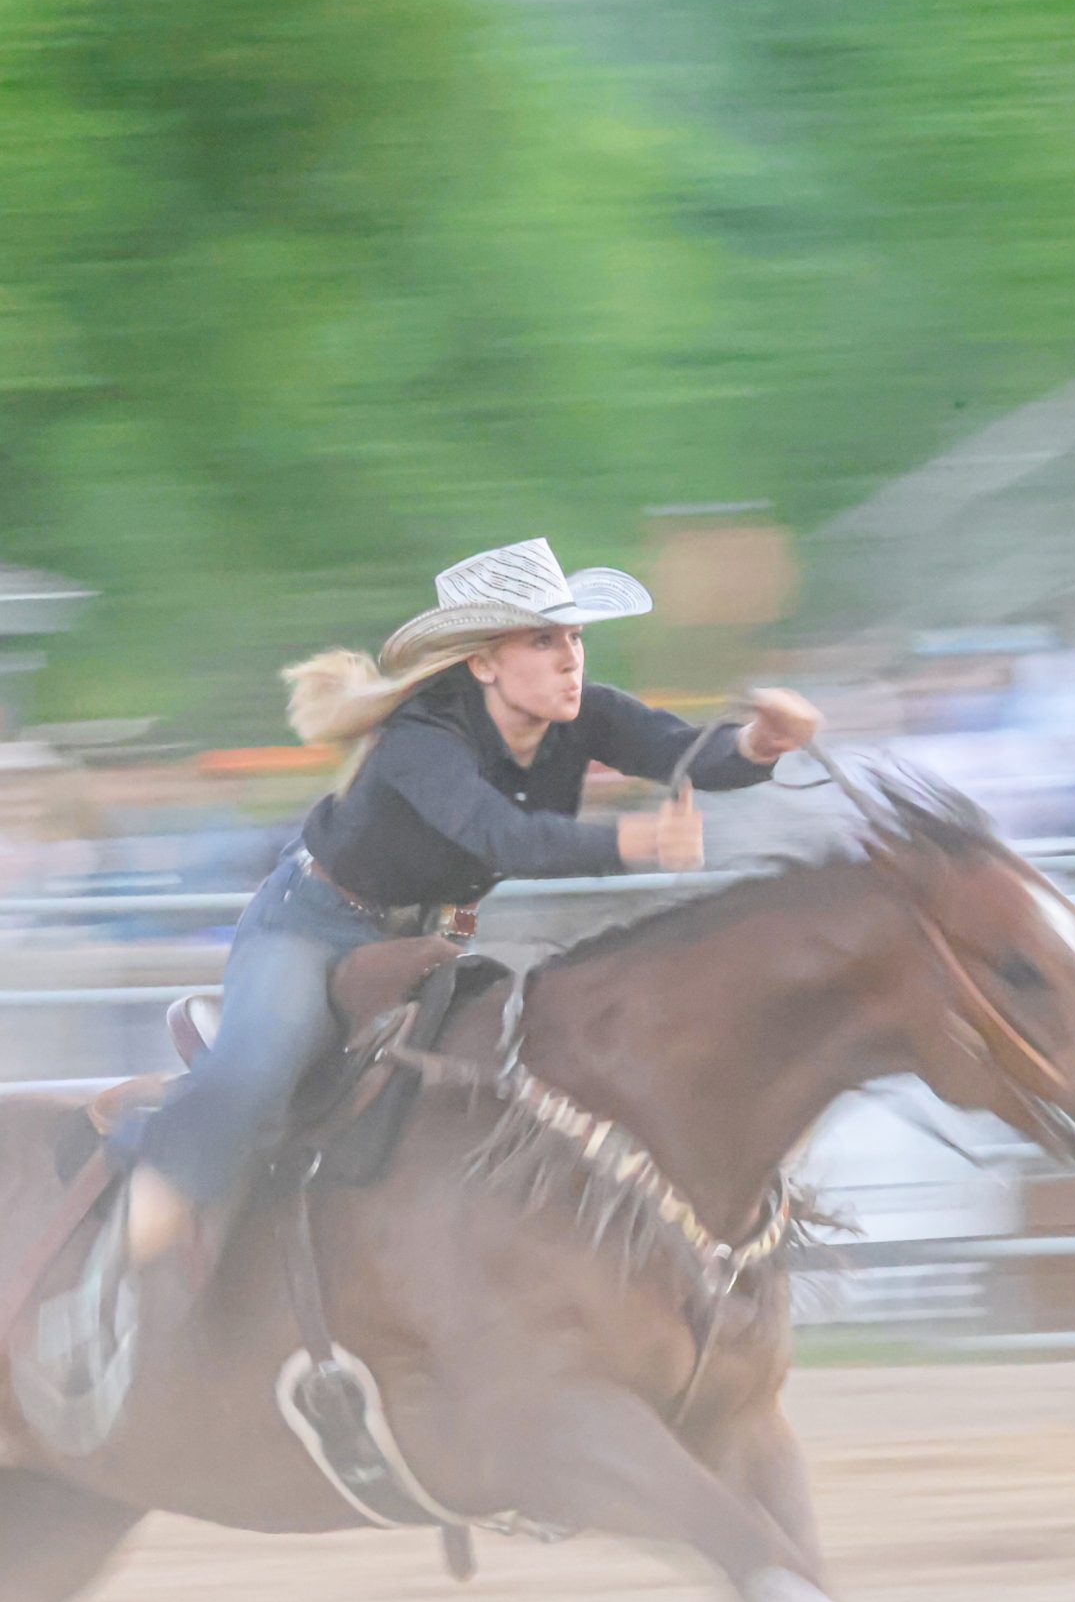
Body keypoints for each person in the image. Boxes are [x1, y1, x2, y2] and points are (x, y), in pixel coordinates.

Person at [123, 535, 821, 1280]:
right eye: (544, 640)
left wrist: (757, 741)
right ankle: (132, 1226)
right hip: (312, 925)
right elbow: (503, 837)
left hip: (423, 941)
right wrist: (633, 839)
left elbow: (679, 748)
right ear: (483, 663)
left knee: (502, 1069)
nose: (571, 658)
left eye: (576, 637)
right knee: (262, 1067)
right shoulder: (421, 738)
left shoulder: (583, 715)